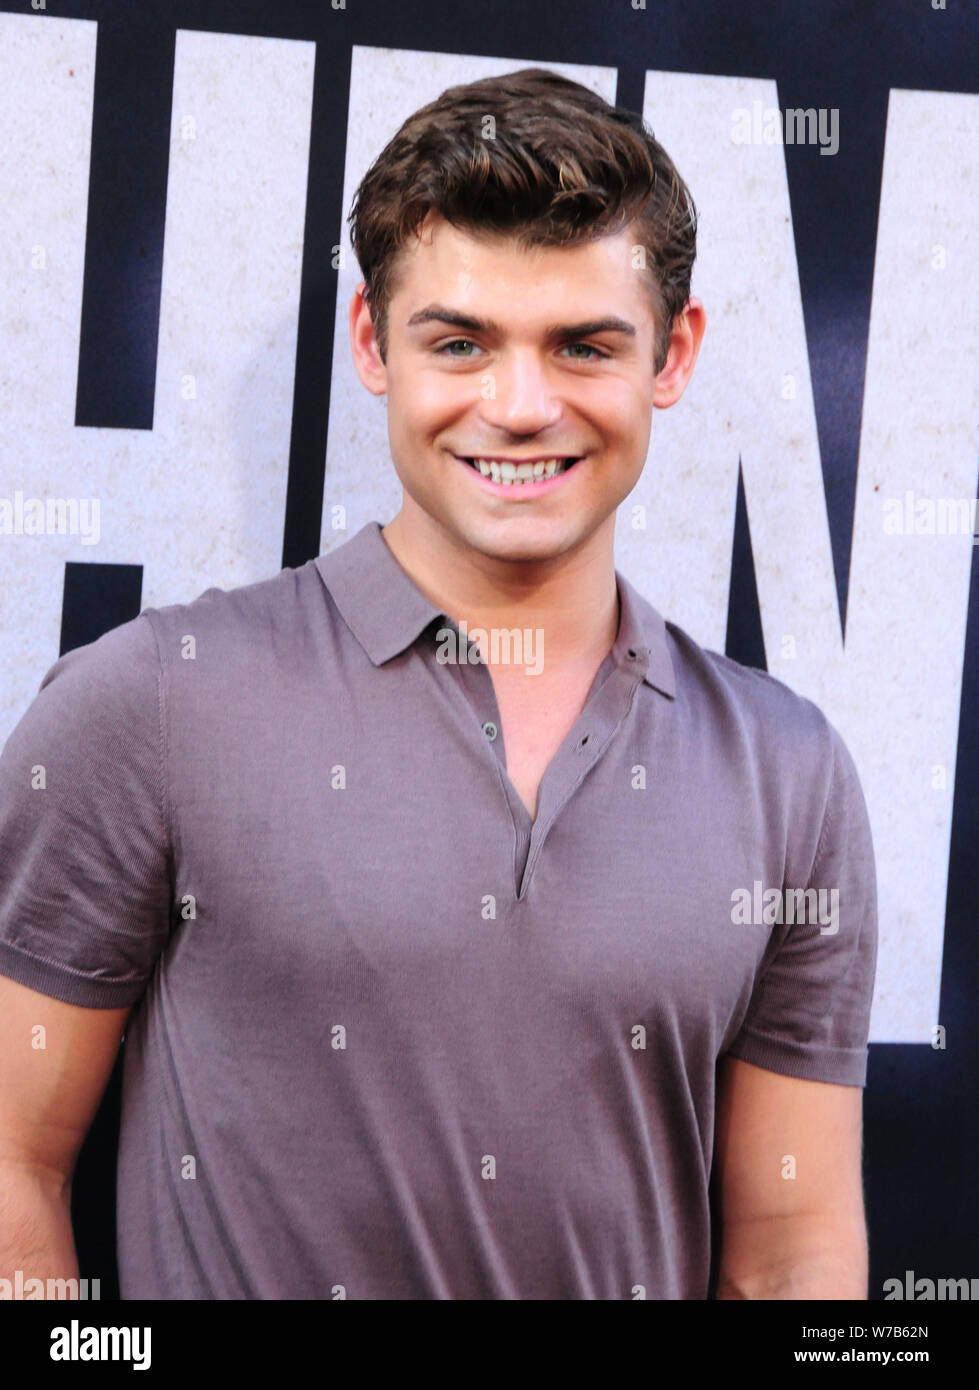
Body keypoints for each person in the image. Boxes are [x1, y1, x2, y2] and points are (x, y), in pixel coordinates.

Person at [0, 66, 877, 1300]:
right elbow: (10, 1162)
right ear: (372, 341)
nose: (520, 407)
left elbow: (794, 1252)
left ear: (672, 354)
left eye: (583, 344)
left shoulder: (787, 772)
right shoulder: (151, 702)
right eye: (459, 341)